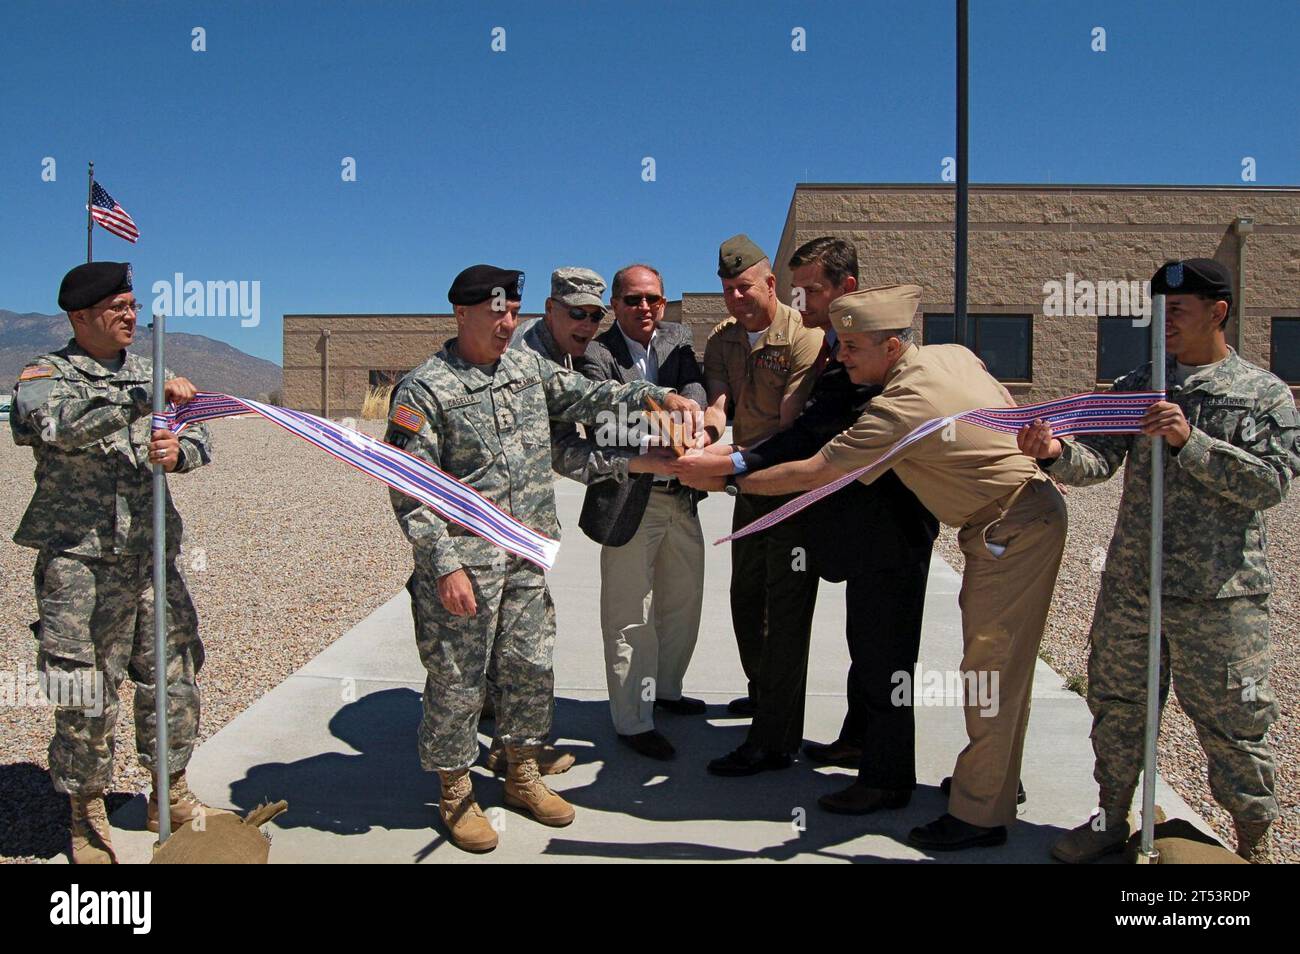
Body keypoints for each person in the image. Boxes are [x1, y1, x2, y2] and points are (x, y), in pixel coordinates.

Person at [727, 284, 1066, 851]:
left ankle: (980, 816)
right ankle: (992, 782)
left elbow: (816, 472)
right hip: (1011, 520)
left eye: (853, 346)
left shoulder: (903, 404)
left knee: (994, 672)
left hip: (1012, 527)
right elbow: (1006, 404)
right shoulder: (952, 354)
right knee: (997, 670)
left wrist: (729, 480)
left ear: (891, 346)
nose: (840, 355)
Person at [386, 264, 700, 853]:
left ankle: (520, 770)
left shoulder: (527, 368)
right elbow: (409, 486)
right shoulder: (424, 388)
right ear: (461, 314)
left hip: (526, 556)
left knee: (529, 666)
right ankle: (454, 791)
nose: (507, 323)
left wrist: (654, 393)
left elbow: (594, 394)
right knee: (457, 681)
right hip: (465, 565)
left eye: (513, 311)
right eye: (495, 312)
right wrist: (444, 565)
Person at [1020, 258, 1299, 864]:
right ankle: (1111, 818)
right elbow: (1097, 462)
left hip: (1220, 597)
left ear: (1218, 312)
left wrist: (1190, 441)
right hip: (1133, 588)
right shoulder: (1140, 385)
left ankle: (1254, 843)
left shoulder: (1262, 394)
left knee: (1235, 724)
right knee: (1116, 709)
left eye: (1177, 312)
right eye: (1159, 313)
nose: (1164, 323)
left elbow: (1271, 484)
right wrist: (1054, 452)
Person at [675, 238, 939, 811]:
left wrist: (729, 472)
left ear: (847, 290)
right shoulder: (838, 347)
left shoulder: (858, 349)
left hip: (874, 519)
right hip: (846, 517)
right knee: (862, 640)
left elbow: (809, 439)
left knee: (869, 644)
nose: (803, 298)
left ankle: (841, 761)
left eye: (811, 289)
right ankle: (856, 739)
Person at [10, 261, 221, 863]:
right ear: (80, 317)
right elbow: (48, 425)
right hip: (81, 562)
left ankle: (168, 788)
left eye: (133, 305)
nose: (130, 316)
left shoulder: (154, 372)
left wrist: (179, 450)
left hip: (151, 556)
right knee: (84, 689)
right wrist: (139, 403)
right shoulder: (47, 374)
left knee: (173, 676)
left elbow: (201, 431)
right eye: (117, 307)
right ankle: (85, 811)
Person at [576, 263, 711, 760]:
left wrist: (693, 417)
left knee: (682, 605)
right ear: (615, 305)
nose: (645, 308)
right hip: (632, 499)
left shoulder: (677, 337)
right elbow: (607, 417)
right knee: (631, 614)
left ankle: (666, 692)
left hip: (683, 497)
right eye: (633, 300)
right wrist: (671, 430)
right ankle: (633, 721)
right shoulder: (597, 353)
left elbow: (694, 386)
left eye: (653, 298)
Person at [702, 234, 824, 776]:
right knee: (745, 596)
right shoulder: (724, 340)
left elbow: (791, 426)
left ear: (771, 284)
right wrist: (705, 431)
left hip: (792, 491)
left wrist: (728, 462)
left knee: (785, 610)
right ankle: (763, 694)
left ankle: (774, 741)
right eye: (728, 289)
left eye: (744, 287)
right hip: (746, 491)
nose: (736, 298)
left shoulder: (805, 339)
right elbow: (719, 398)